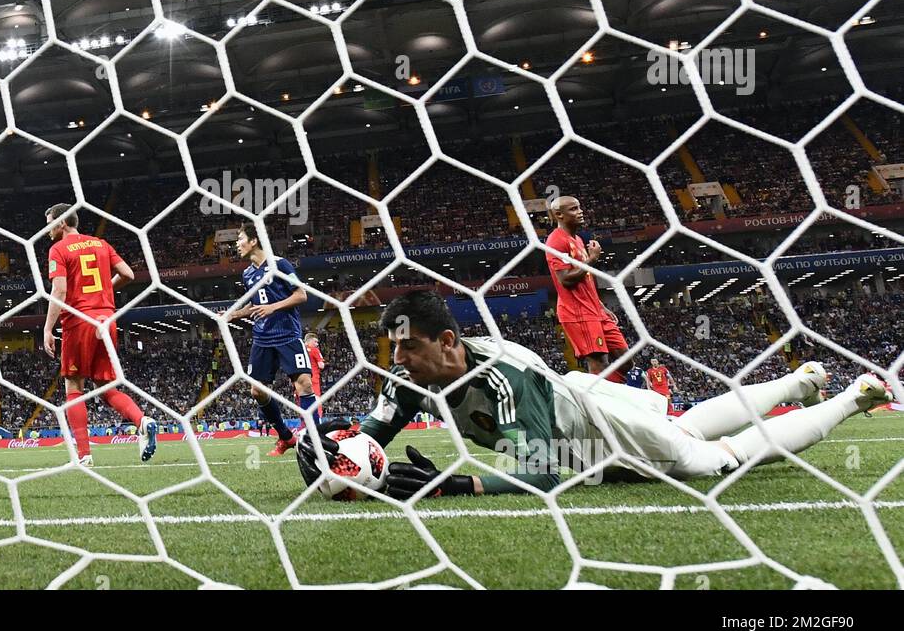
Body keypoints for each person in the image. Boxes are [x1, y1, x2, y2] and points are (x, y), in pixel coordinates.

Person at [298, 290, 891, 499]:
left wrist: (458, 483)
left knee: (716, 459)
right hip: (573, 400)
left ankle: (847, 400)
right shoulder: (414, 374)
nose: (397, 362)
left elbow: (548, 474)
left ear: (449, 341)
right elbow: (372, 432)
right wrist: (329, 454)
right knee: (691, 422)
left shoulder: (502, 377)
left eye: (409, 349)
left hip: (601, 437)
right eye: (393, 350)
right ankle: (800, 380)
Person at [42, 203, 157, 466]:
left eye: (49, 224)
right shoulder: (100, 243)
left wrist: (48, 328)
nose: (46, 230)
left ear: (61, 224)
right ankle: (142, 421)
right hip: (106, 320)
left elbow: (59, 291)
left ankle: (84, 455)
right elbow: (128, 274)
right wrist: (105, 290)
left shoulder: (58, 249)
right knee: (106, 387)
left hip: (78, 320)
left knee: (73, 386)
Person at [222, 223, 312, 456]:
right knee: (257, 391)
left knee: (304, 384)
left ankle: (315, 438)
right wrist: (233, 314)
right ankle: (285, 437)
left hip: (286, 334)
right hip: (262, 338)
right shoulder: (248, 273)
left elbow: (301, 294)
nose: (236, 244)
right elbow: (256, 304)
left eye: (240, 238)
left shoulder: (279, 264)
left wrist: (273, 307)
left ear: (254, 241)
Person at [546, 195, 628, 382]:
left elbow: (585, 281)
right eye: (573, 209)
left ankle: (614, 395)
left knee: (625, 360)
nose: (580, 212)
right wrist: (591, 259)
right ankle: (603, 404)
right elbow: (565, 279)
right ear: (559, 214)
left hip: (594, 309)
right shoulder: (556, 241)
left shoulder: (577, 240)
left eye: (579, 207)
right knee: (599, 364)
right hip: (578, 312)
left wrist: (601, 305)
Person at [304, 332, 326, 425]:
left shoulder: (301, 350)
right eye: (315, 342)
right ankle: (318, 424)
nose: (317, 344)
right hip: (313, 379)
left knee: (304, 401)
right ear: (309, 341)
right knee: (316, 401)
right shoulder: (315, 350)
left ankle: (306, 425)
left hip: (302, 379)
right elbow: (321, 366)